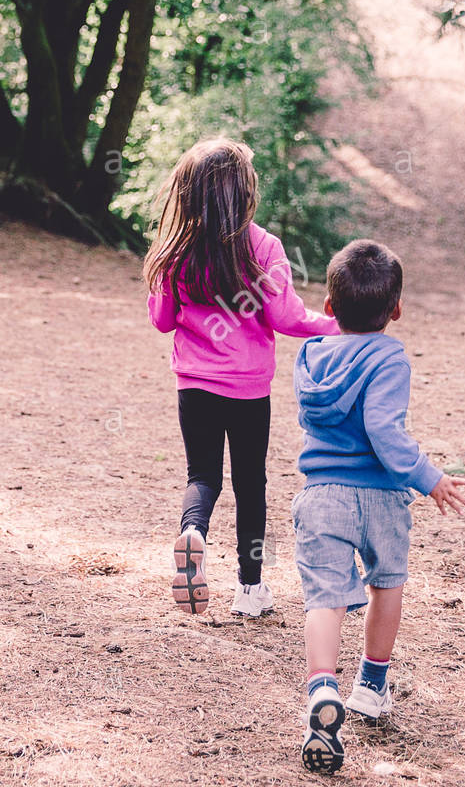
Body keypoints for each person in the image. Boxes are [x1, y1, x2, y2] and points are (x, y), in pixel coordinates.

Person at [292, 238, 465, 774]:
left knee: (324, 599)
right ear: (396, 310)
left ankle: (322, 687)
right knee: (385, 584)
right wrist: (429, 479)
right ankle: (370, 686)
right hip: (381, 500)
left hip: (322, 496)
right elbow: (384, 432)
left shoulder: (309, 355)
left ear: (328, 307)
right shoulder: (389, 356)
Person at [145, 138, 338, 618]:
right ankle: (250, 590)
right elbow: (286, 316)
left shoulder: (176, 250)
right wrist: (338, 325)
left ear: (189, 194)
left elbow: (163, 321)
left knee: (203, 476)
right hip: (248, 390)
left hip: (193, 386)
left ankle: (192, 534)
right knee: (251, 483)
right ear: (244, 193)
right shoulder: (264, 246)